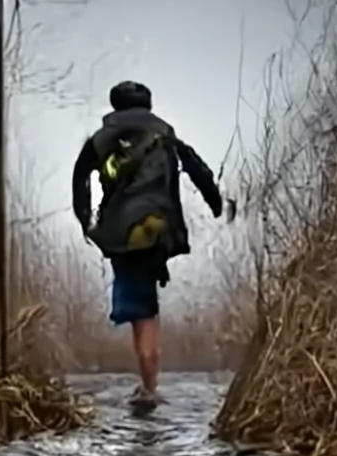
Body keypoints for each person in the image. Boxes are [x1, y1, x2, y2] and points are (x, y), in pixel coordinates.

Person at [72, 80, 224, 409]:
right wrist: (216, 203)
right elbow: (197, 168)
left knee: (140, 303)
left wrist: (86, 219)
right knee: (145, 302)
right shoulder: (166, 137)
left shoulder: (101, 140)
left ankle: (149, 388)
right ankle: (149, 386)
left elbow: (79, 178)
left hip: (123, 232)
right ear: (149, 106)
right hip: (161, 227)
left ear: (115, 107)